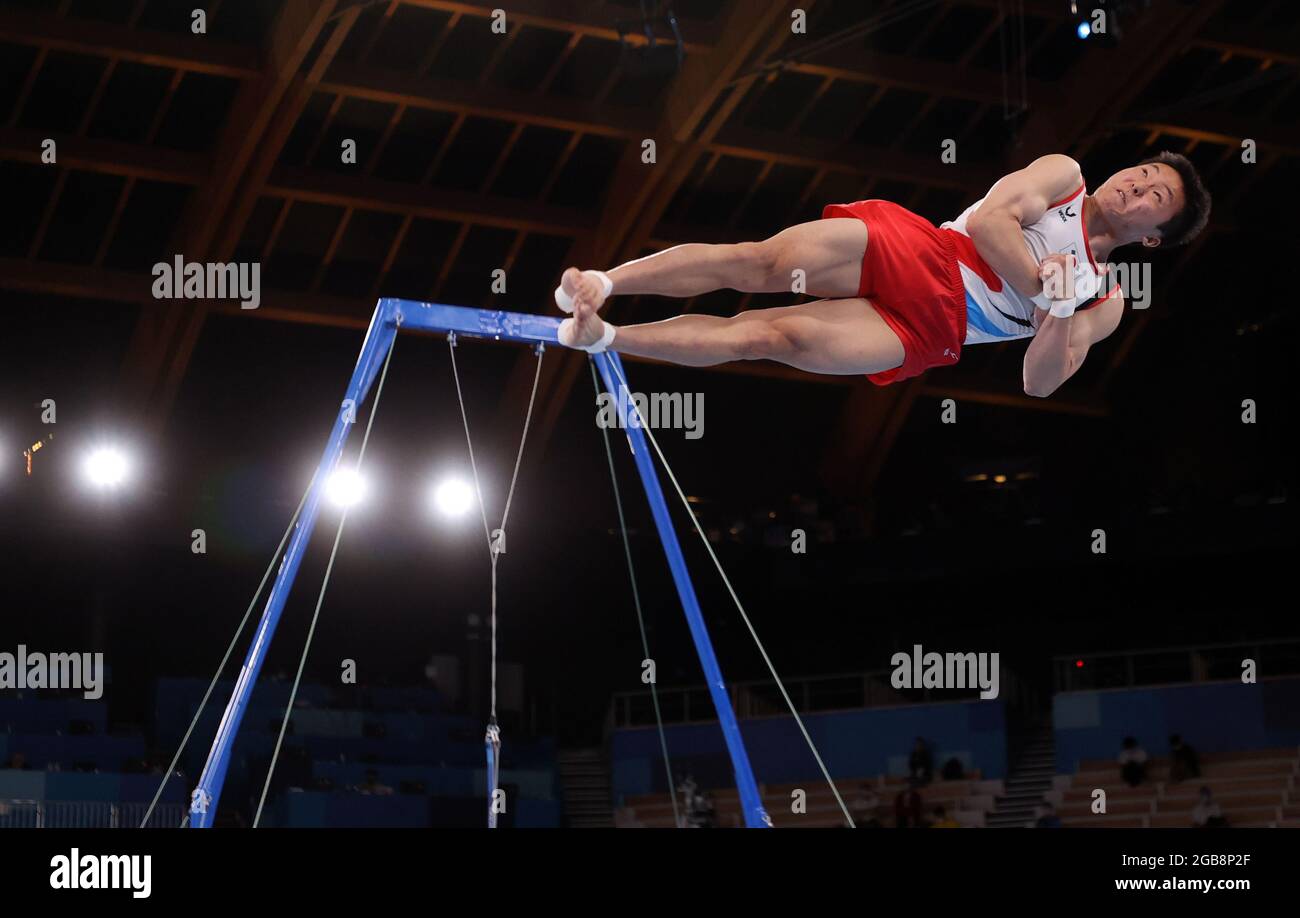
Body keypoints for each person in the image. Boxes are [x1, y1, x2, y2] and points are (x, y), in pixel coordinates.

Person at [555, 153, 1211, 398]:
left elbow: (1039, 382)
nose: (1139, 184)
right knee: (764, 262)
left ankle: (606, 338)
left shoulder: (1106, 299)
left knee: (766, 336)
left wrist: (1066, 309)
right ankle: (605, 282)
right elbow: (989, 227)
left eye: (1157, 197)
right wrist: (1044, 289)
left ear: (1153, 237)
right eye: (1145, 172)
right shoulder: (1064, 176)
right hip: (922, 249)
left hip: (931, 326)